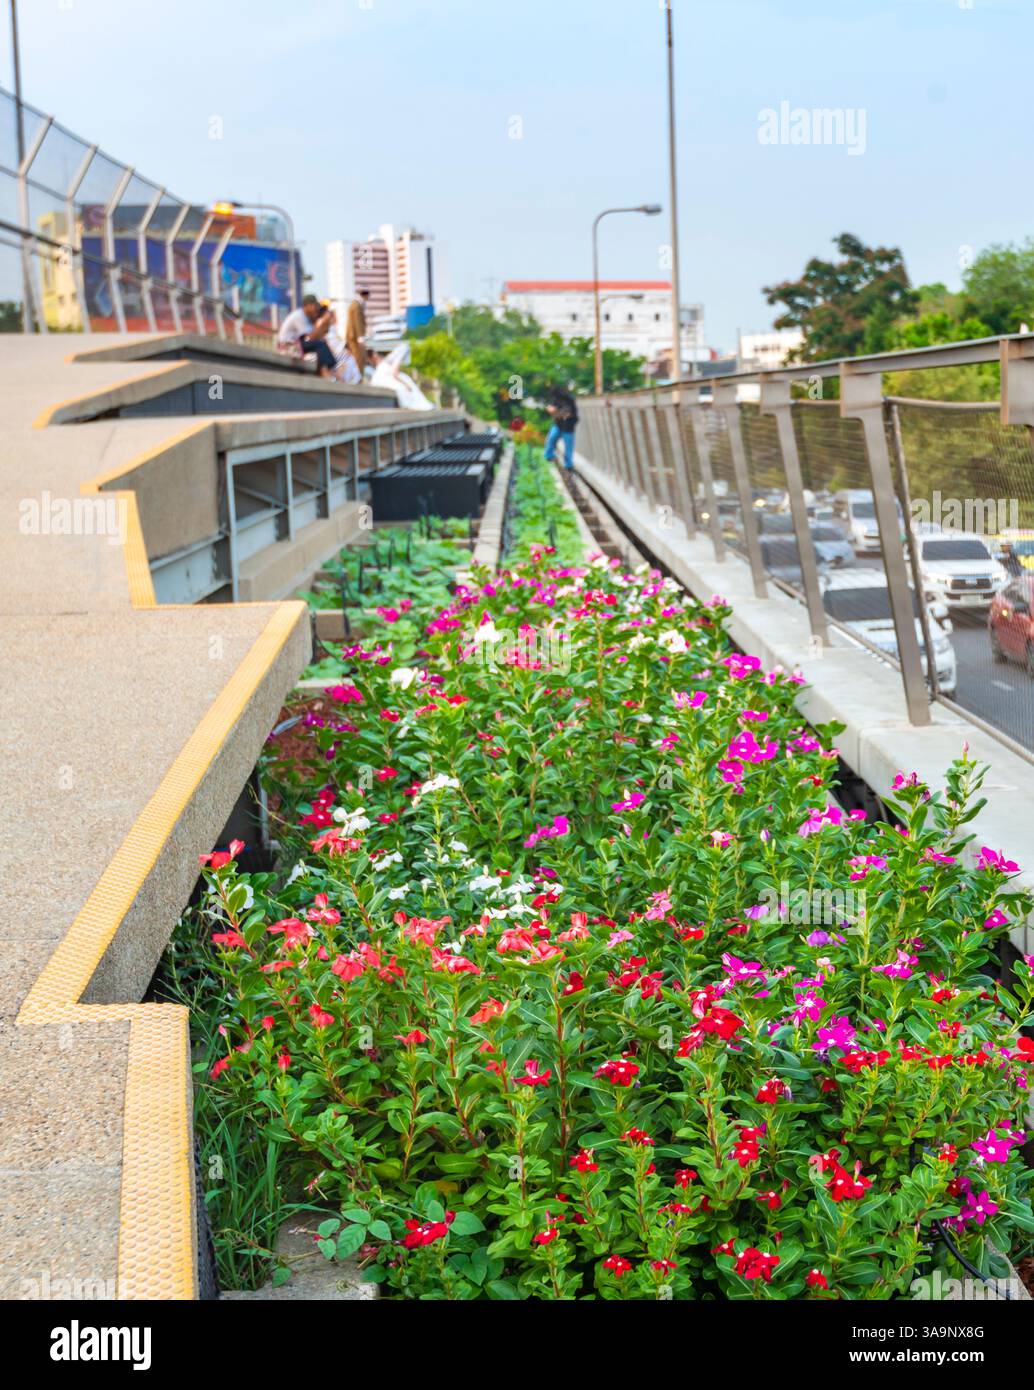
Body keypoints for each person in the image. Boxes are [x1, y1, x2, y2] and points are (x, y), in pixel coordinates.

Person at [277, 295, 336, 378]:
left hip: (296, 345)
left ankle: (326, 370)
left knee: (321, 344)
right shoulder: (299, 316)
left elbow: (315, 337)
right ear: (308, 305)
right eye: (315, 306)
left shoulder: (306, 317)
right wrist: (323, 323)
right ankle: (325, 371)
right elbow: (310, 338)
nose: (316, 309)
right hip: (287, 346)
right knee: (320, 345)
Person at [369, 344, 434, 410]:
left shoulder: (385, 361)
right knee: (408, 383)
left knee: (406, 379)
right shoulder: (398, 358)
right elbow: (395, 374)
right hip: (388, 378)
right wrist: (405, 384)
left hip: (379, 378)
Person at [544, 386, 578, 470]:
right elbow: (552, 410)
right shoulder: (555, 400)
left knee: (568, 446)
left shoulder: (569, 400)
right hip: (558, 424)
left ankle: (568, 465)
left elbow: (568, 413)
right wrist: (553, 411)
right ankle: (549, 455)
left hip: (568, 426)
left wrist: (556, 412)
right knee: (551, 439)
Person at [346, 289, 370, 373]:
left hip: (353, 336)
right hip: (355, 337)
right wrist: (360, 338)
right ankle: (359, 379)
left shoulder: (355, 304)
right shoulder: (357, 305)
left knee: (357, 358)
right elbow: (358, 322)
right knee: (358, 359)